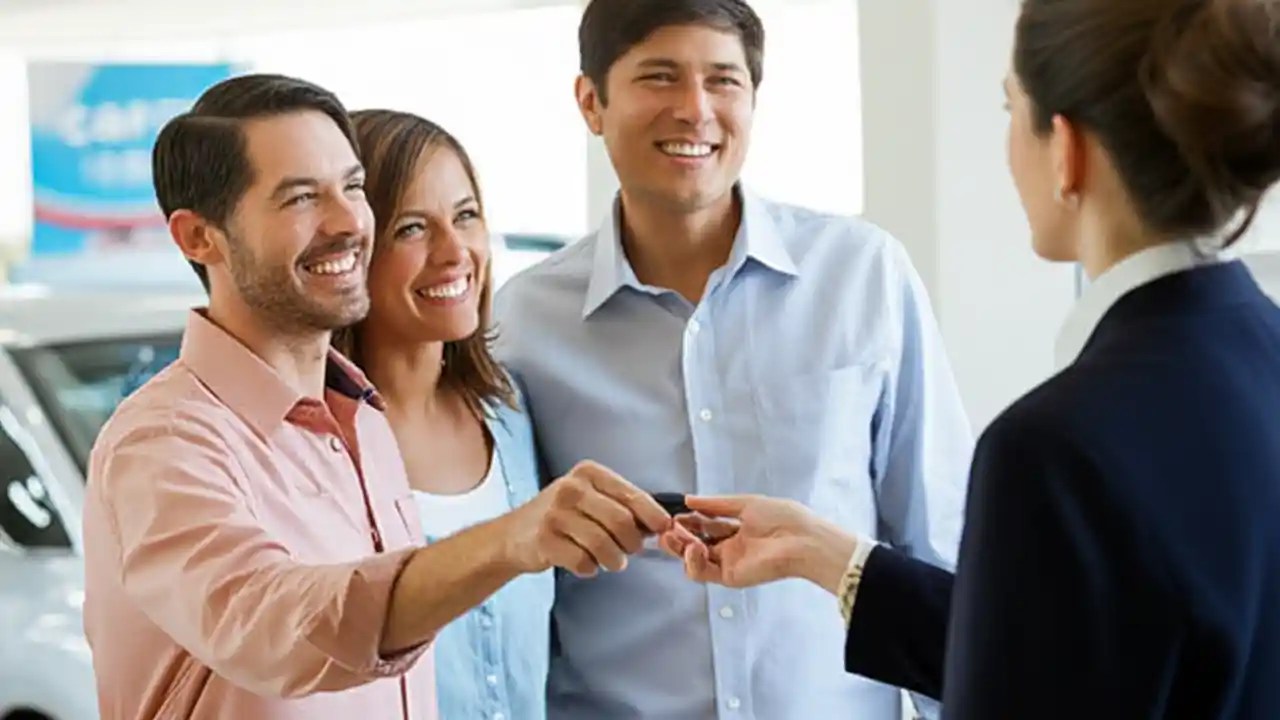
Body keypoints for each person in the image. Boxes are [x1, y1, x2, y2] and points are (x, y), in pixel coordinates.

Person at [666, 0, 1280, 716]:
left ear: (1068, 151)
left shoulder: (1052, 449)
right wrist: (834, 559)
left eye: (1010, 109)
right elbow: (1083, 652)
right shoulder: (1258, 358)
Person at [81, 74, 673, 720]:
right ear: (199, 237)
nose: (346, 223)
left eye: (353, 188)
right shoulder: (165, 441)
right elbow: (271, 622)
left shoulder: (360, 419)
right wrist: (508, 541)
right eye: (301, 198)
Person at [492, 0, 973, 717]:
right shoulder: (523, 322)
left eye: (723, 80)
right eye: (660, 77)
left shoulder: (862, 276)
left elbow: (941, 547)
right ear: (591, 102)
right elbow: (509, 582)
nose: (695, 110)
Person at [332, 108, 552, 720]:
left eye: (466, 216)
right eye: (411, 229)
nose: (455, 252)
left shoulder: (509, 414)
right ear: (353, 249)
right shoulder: (314, 448)